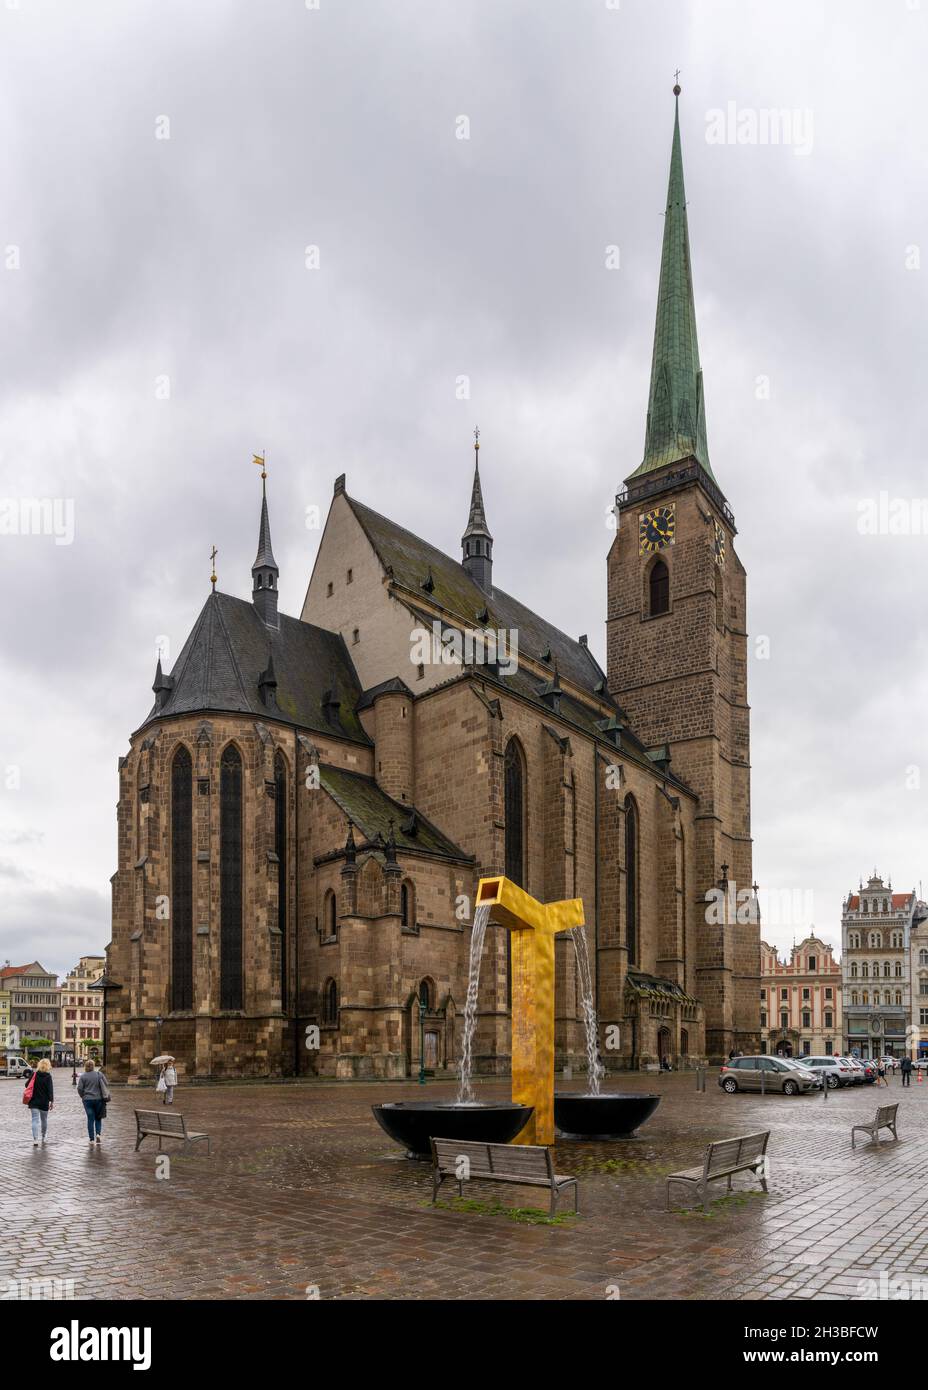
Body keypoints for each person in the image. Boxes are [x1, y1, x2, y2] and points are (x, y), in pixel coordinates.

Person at [77, 1060, 110, 1144]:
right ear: (93, 1066)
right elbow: (106, 1083)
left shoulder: (83, 1076)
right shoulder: (99, 1074)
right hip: (98, 1099)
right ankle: (98, 1134)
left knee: (90, 1119)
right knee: (98, 1118)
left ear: (85, 1066)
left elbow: (80, 1088)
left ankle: (91, 1139)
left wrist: (83, 1096)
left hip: (87, 1100)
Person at [26, 1058, 54, 1145]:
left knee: (34, 1120)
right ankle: (44, 1136)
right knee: (44, 1120)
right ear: (47, 1066)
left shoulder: (34, 1074)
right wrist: (51, 1101)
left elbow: (26, 1085)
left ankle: (35, 1139)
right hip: (44, 1102)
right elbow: (50, 1090)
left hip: (34, 1101)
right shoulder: (48, 1076)